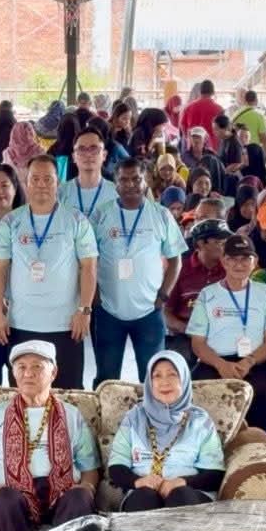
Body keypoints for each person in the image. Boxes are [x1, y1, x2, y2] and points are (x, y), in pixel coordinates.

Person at [0, 340, 98, 531]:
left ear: (53, 372)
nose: (28, 373)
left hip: (63, 493)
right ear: (14, 374)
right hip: (14, 494)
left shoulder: (71, 415)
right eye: (21, 367)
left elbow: (90, 468)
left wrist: (86, 488)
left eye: (37, 366)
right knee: (5, 500)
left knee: (80, 498)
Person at [0, 155, 98, 390]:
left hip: (66, 324)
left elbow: (88, 266)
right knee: (24, 392)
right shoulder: (10, 222)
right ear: (25, 183)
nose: (41, 185)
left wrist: (85, 309)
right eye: (35, 179)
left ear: (57, 183)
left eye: (47, 179)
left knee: (69, 393)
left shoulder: (76, 220)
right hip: (21, 323)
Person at [89, 158, 186, 386]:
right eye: (124, 179)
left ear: (146, 182)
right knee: (106, 379)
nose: (130, 184)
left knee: (154, 378)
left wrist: (163, 295)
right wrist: (94, 297)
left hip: (149, 312)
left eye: (136, 179)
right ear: (116, 184)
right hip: (108, 311)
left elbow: (175, 260)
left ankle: (151, 421)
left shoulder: (161, 215)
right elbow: (87, 260)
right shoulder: (100, 215)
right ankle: (107, 422)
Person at [107, 347, 224, 514]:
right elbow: (116, 467)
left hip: (190, 493)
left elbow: (215, 473)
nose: (164, 382)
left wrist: (182, 482)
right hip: (143, 492)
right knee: (144, 497)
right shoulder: (134, 418)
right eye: (157, 375)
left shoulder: (200, 421)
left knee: (180, 496)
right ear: (149, 382)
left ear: (183, 379)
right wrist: (139, 482)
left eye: (172, 374)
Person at [187, 235, 266, 430]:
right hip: (214, 361)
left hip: (254, 361)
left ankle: (256, 441)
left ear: (255, 262)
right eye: (233, 259)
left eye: (246, 258)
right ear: (224, 261)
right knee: (199, 394)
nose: (239, 264)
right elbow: (198, 342)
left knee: (264, 395)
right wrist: (221, 365)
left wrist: (248, 362)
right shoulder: (207, 294)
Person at [163, 220, 230, 363]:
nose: (225, 246)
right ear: (201, 244)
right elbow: (165, 312)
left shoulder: (230, 269)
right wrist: (188, 330)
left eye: (226, 241)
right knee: (181, 360)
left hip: (221, 332)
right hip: (184, 334)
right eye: (219, 241)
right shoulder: (179, 270)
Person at [58, 128, 111, 217]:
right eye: (81, 149)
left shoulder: (116, 193)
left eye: (94, 149)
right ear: (74, 157)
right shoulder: (60, 193)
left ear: (104, 155)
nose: (88, 154)